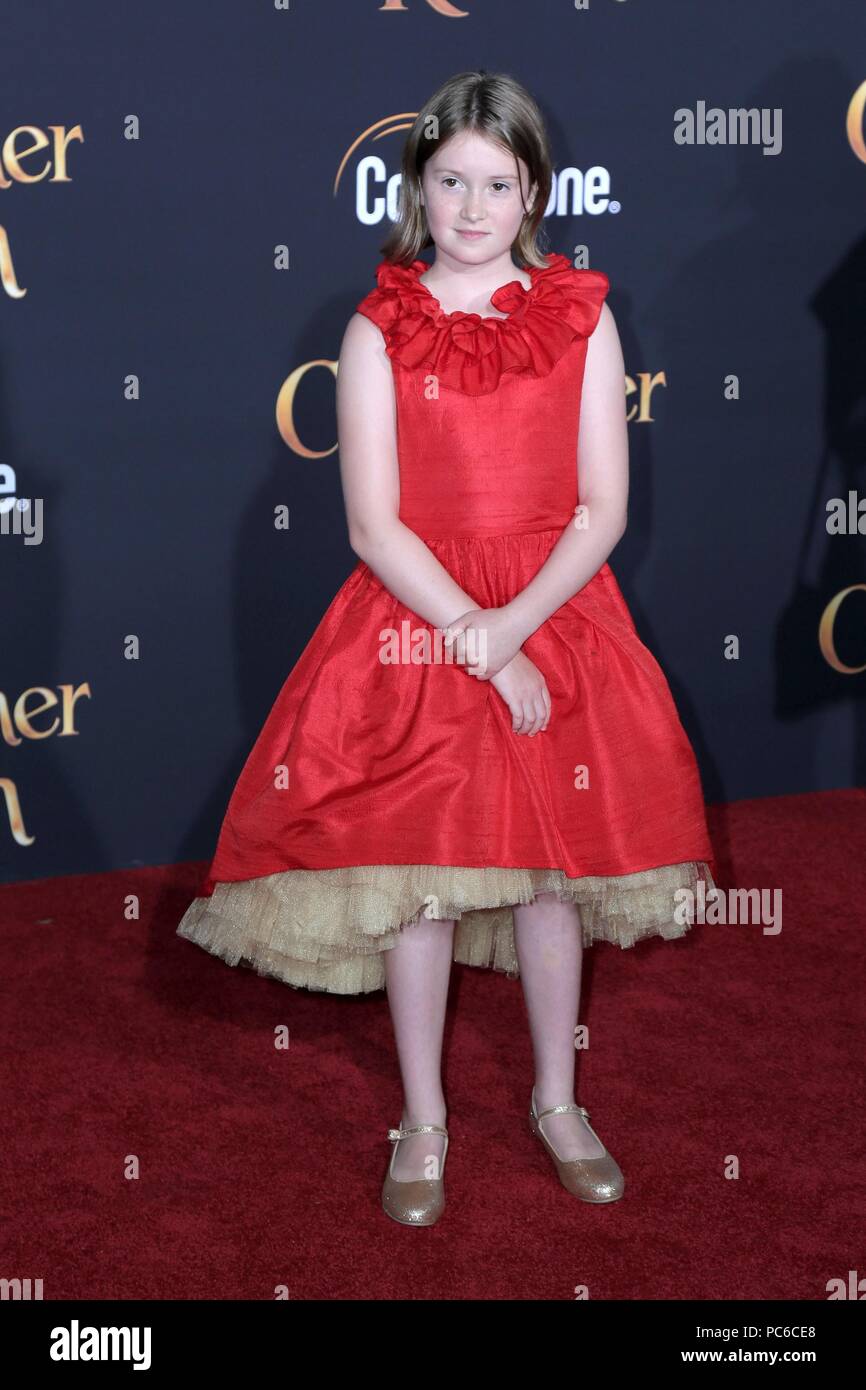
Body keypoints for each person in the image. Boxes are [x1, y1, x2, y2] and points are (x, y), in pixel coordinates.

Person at [177, 69, 717, 1227]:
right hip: (411, 627)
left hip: (553, 614)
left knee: (548, 880)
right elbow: (373, 524)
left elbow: (601, 509)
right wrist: (472, 642)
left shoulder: (581, 313)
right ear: (416, 186)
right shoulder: (378, 323)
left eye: (498, 184)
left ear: (533, 191)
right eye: (450, 181)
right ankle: (420, 1114)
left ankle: (557, 1100)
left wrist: (513, 633)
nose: (474, 207)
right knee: (416, 882)